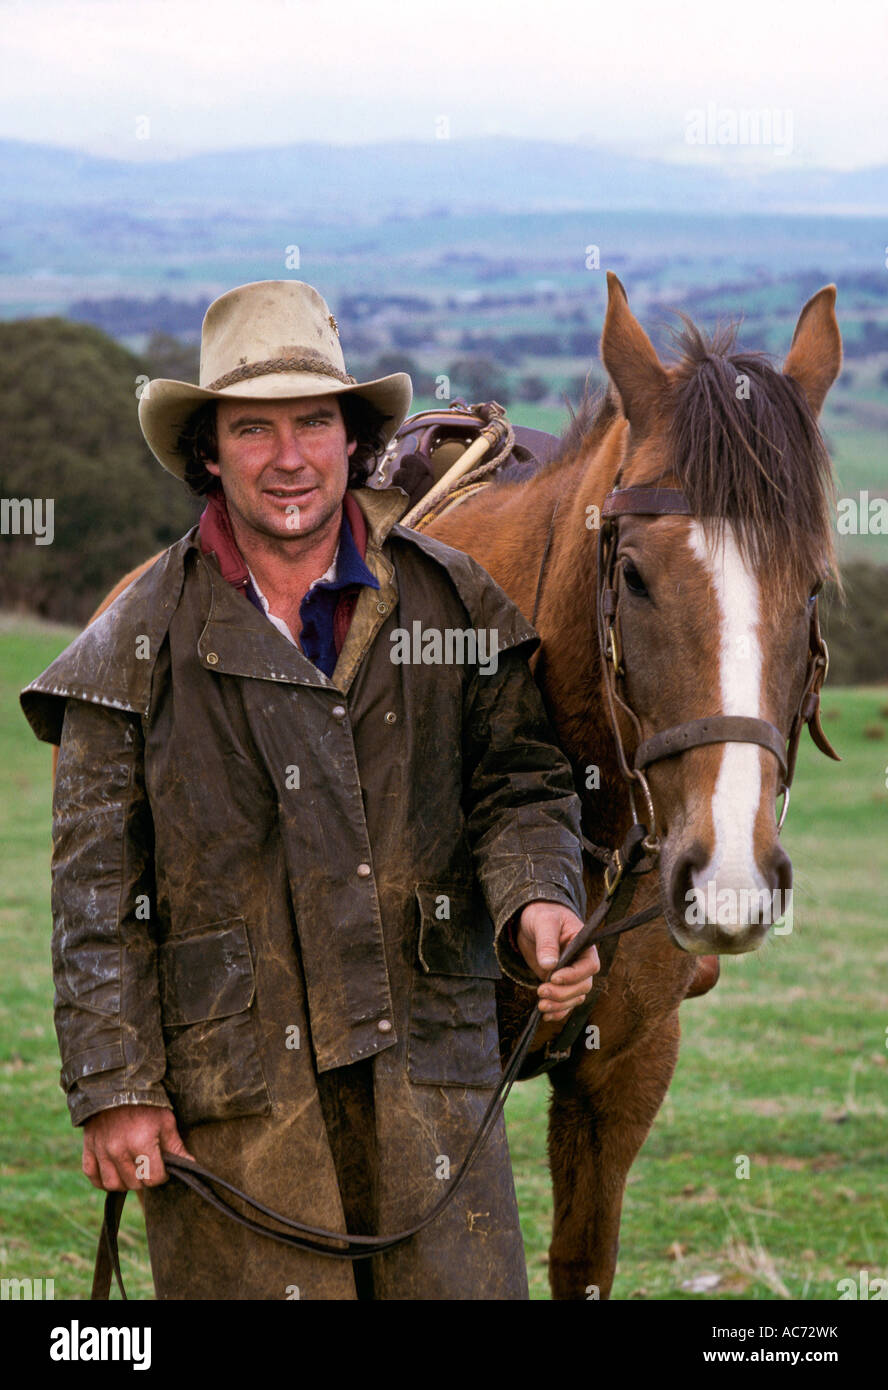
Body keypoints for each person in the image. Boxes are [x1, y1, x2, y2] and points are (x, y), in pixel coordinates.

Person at [21, 279, 598, 1301]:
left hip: (432, 1080)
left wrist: (540, 894)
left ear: (350, 439)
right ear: (208, 450)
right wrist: (115, 1089)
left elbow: (524, 780)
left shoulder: (455, 601)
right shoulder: (133, 640)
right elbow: (94, 896)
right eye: (253, 429)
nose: (289, 457)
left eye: (313, 424)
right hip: (234, 1101)